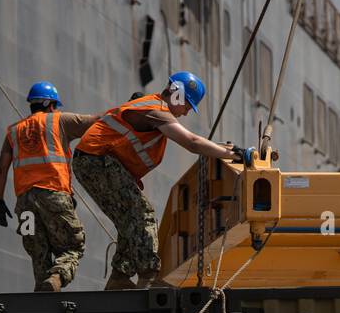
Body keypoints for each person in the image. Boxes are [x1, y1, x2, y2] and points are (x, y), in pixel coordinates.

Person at [73, 71, 252, 290]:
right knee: (143, 215)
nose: (186, 112)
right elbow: (192, 143)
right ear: (176, 94)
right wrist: (236, 155)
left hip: (92, 162)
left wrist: (226, 150)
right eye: (187, 105)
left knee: (130, 221)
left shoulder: (154, 111)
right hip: (97, 162)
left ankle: (120, 277)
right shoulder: (157, 110)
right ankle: (149, 276)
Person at [0, 81, 102, 292]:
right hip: (53, 197)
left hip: (24, 207)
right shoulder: (59, 121)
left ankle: (42, 293)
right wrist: (128, 110)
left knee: (36, 250)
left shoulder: (13, 132)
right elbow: (97, 120)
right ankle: (57, 278)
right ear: (51, 104)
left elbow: (1, 170)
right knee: (73, 246)